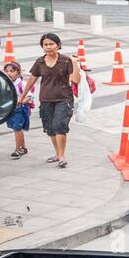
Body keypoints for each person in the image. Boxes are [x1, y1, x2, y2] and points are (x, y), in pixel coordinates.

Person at [18, 32, 79, 169]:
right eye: (45, 44)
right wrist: (21, 97)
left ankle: (62, 157)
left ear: (58, 45)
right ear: (42, 47)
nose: (48, 47)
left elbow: (75, 80)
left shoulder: (66, 61)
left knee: (59, 126)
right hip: (46, 99)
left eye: (51, 44)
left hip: (64, 98)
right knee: (50, 128)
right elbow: (31, 81)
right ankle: (57, 154)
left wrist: (75, 64)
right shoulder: (39, 62)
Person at [4, 61, 32, 158]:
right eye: (6, 71)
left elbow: (29, 97)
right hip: (11, 110)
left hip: (20, 110)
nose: (8, 73)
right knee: (17, 129)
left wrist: (20, 102)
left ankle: (18, 149)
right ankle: (23, 147)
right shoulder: (6, 83)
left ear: (18, 72)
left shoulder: (22, 84)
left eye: (12, 71)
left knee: (17, 128)